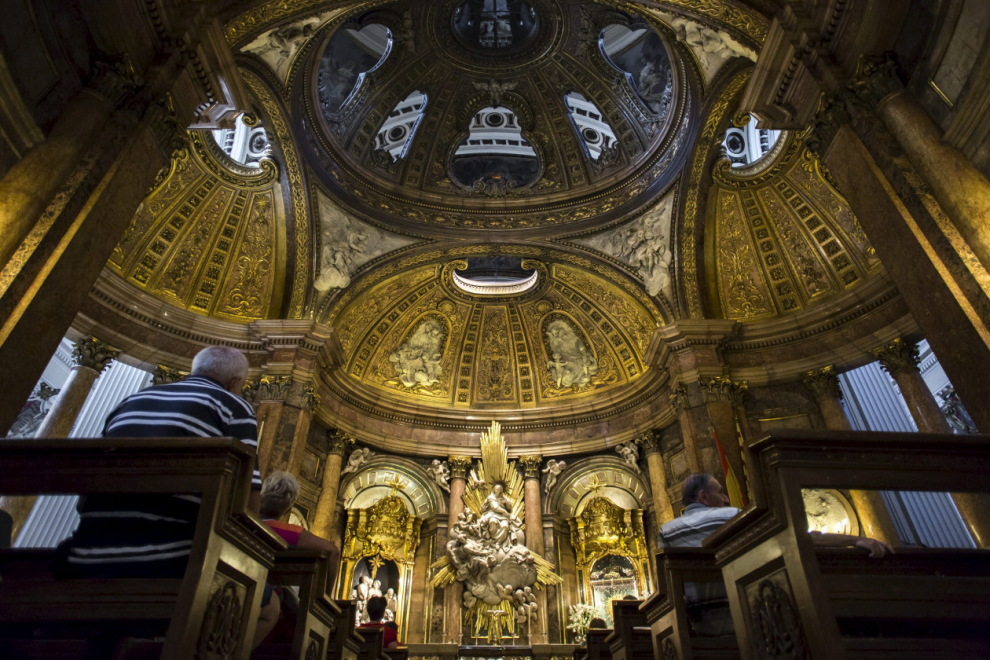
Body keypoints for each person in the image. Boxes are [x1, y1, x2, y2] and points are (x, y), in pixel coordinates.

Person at [53, 346, 278, 649]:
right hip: (172, 560)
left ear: (194, 368)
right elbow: (247, 502)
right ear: (236, 382)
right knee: (265, 605)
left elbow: (85, 497)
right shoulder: (233, 406)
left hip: (85, 554)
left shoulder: (131, 400)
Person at [660, 473, 894, 636]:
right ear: (703, 496)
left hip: (702, 628)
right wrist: (855, 539)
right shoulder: (731, 516)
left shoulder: (667, 531)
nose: (726, 498)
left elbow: (669, 592)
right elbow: (792, 537)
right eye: (720, 492)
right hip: (753, 623)